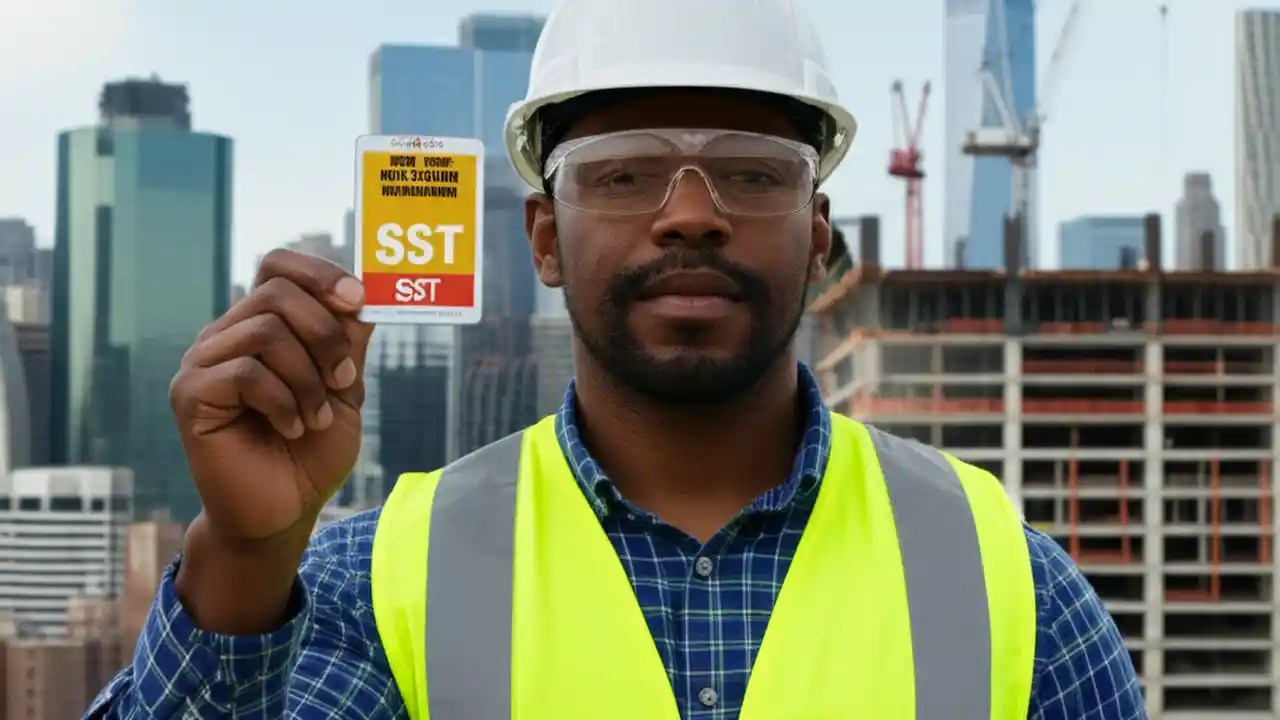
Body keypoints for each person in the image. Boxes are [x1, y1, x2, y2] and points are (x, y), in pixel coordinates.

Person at [86, 0, 1146, 717]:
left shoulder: (1004, 581)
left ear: (817, 234)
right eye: (624, 176)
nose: (690, 215)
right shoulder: (371, 587)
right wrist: (243, 558)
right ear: (543, 236)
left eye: (751, 175)